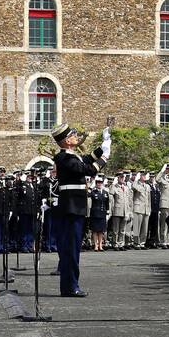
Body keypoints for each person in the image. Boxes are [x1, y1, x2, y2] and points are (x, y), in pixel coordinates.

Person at [50, 123, 108, 297]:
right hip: (72, 209)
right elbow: (87, 169)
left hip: (74, 208)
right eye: (73, 135)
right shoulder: (65, 159)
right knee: (71, 249)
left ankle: (69, 286)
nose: (76, 136)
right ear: (67, 141)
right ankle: (70, 286)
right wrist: (105, 158)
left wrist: (101, 148)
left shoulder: (69, 157)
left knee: (72, 248)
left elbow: (85, 159)